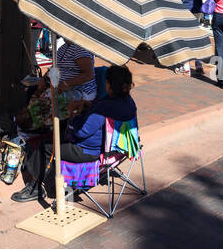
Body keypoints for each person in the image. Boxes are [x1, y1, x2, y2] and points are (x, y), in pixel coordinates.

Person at [12, 65, 136, 204]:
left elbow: (80, 133)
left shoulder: (103, 109)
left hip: (88, 151)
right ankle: (50, 178)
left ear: (109, 84)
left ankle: (37, 187)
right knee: (55, 137)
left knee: (44, 147)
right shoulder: (128, 103)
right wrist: (86, 105)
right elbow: (98, 110)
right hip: (119, 149)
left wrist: (72, 116)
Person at [32, 39, 97, 102]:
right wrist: (44, 79)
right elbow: (54, 67)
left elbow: (89, 74)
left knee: (45, 101)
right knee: (32, 91)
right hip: (59, 87)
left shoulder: (81, 49)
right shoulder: (64, 47)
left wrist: (66, 84)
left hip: (80, 91)